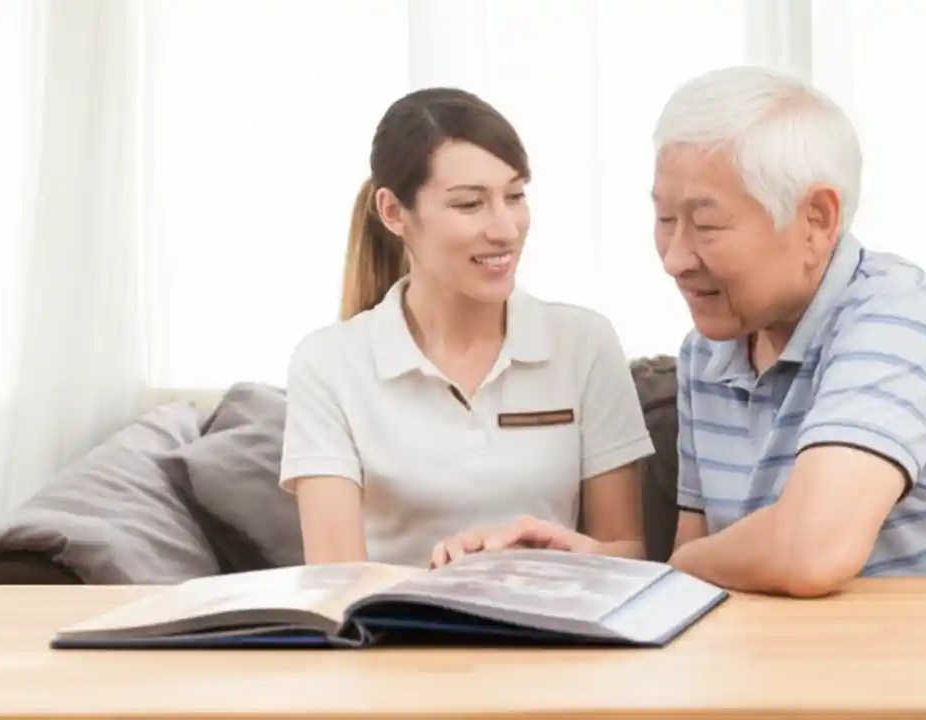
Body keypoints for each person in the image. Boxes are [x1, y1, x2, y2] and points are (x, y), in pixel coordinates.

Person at [495, 66, 926, 596]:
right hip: (779, 663)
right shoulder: (706, 353)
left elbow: (810, 552)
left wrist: (670, 572)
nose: (675, 259)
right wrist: (612, 577)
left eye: (706, 226)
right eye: (664, 219)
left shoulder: (899, 315)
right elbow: (699, 561)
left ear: (816, 219)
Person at [279, 87, 655, 570]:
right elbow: (334, 579)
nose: (506, 229)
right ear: (393, 211)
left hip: (557, 636)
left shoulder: (585, 343)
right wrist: (444, 588)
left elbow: (628, 554)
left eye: (515, 196)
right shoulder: (328, 363)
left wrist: (548, 548)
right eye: (469, 204)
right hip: (398, 639)